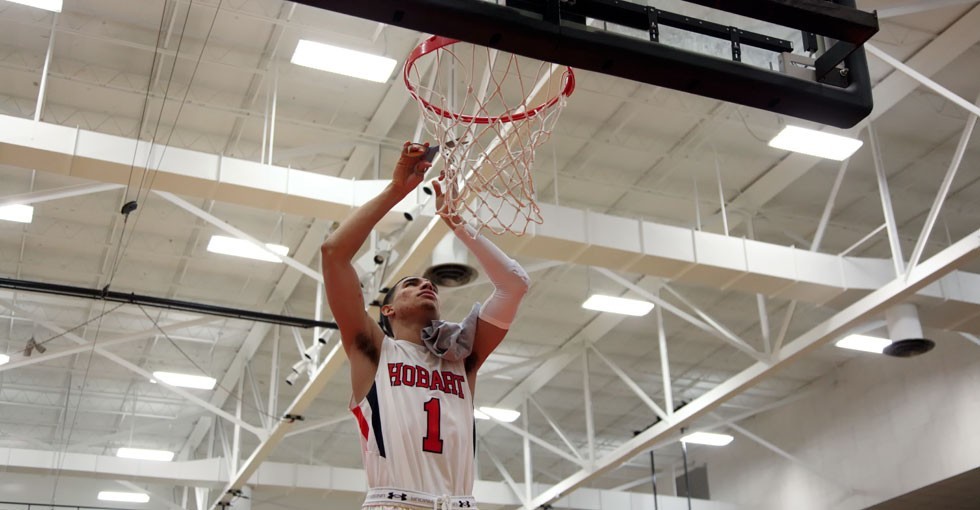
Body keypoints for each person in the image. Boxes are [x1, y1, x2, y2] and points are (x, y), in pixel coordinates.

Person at [320, 142, 530, 510]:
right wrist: (396, 190)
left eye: (428, 283)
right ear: (387, 311)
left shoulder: (462, 356)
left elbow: (514, 283)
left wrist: (457, 222)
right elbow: (333, 253)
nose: (426, 284)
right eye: (411, 284)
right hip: (393, 502)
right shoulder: (374, 351)